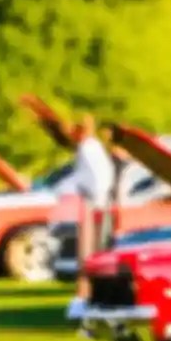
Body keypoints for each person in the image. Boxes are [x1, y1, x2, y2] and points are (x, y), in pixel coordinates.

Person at [67, 115, 114, 319]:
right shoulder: (93, 147)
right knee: (90, 253)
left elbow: (97, 179)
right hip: (95, 203)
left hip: (91, 204)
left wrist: (93, 200)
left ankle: (85, 299)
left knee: (87, 255)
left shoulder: (88, 148)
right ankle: (88, 298)